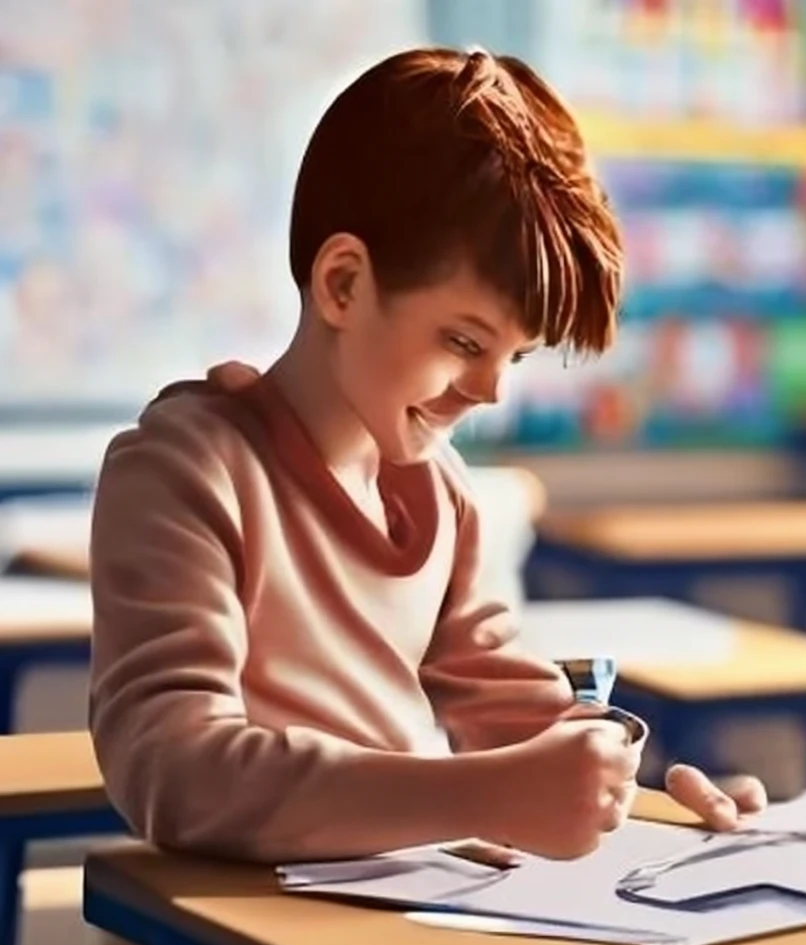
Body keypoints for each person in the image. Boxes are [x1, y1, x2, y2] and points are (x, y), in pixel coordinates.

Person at [88, 46, 766, 869]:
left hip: (419, 910)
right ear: (343, 284)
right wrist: (481, 796)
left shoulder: (440, 492)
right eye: (464, 343)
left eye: (515, 357)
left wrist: (641, 794)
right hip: (244, 927)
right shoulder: (186, 471)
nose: (490, 392)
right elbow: (176, 770)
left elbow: (520, 724)